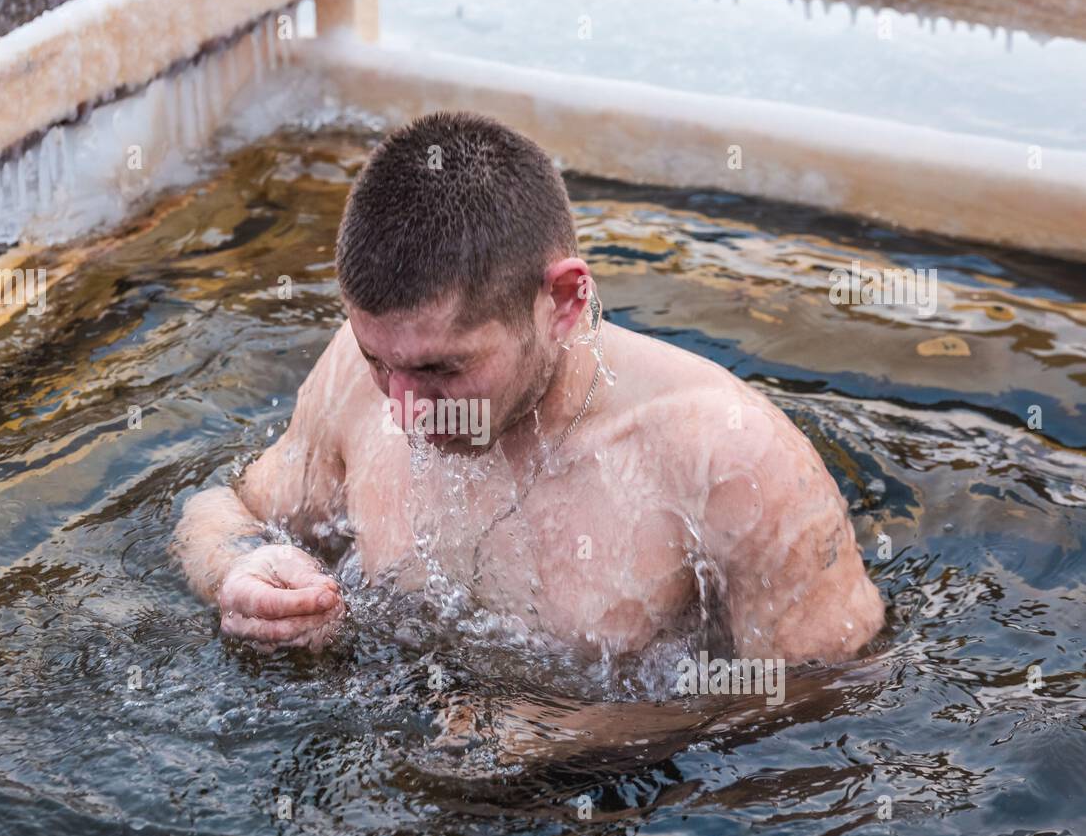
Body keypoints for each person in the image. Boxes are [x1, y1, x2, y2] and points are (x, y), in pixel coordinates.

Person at [174, 111, 884, 667]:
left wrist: (574, 733)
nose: (404, 409)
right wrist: (238, 569)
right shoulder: (359, 370)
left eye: (442, 370)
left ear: (566, 300)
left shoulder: (728, 456)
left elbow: (824, 710)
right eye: (378, 361)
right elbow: (222, 507)